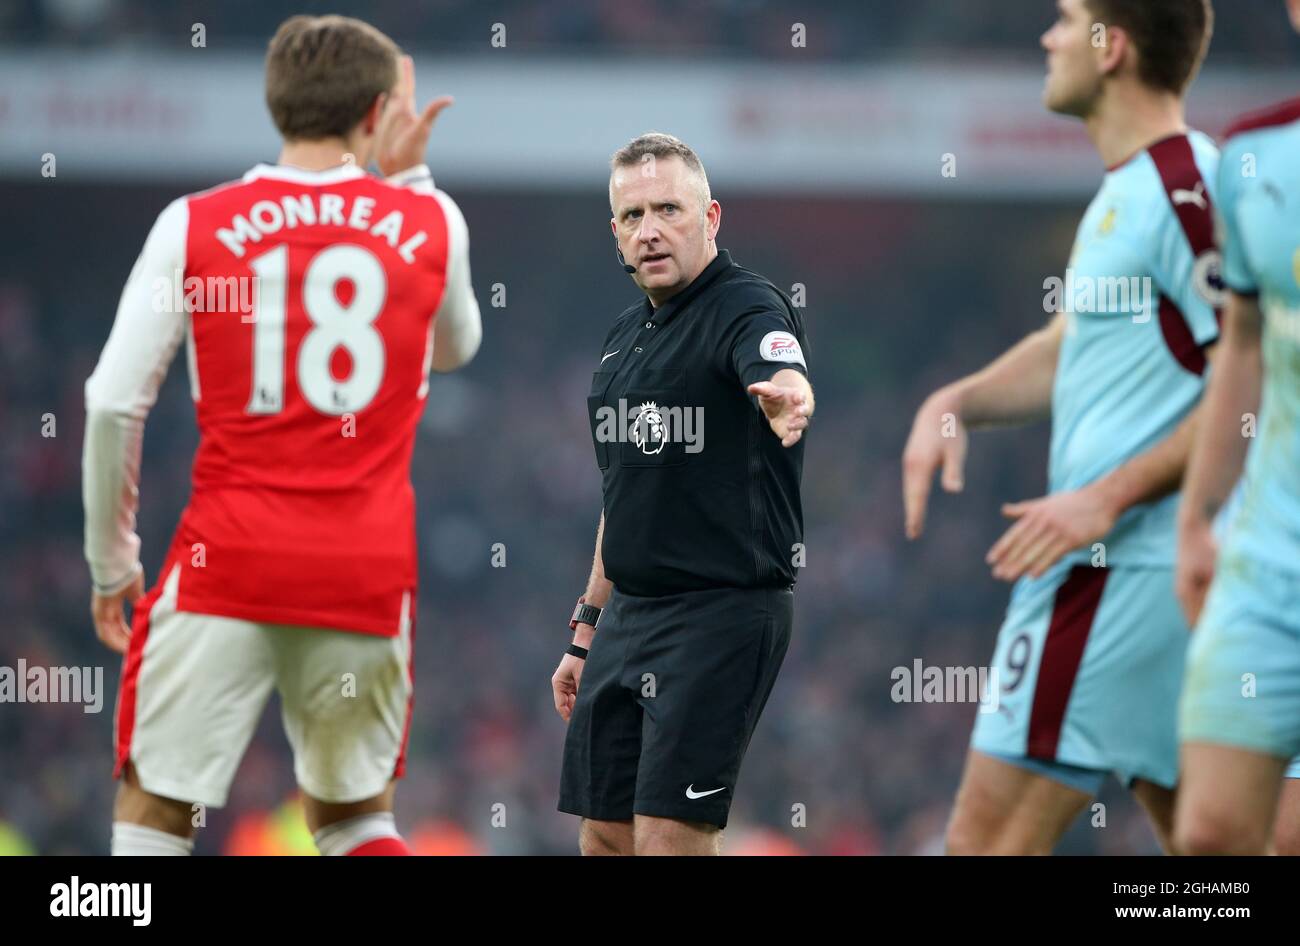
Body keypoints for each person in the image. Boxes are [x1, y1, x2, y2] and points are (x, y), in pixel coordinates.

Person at [82, 14, 480, 856]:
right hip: (364, 574)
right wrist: (411, 183)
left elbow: (114, 402)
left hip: (224, 562)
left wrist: (113, 563)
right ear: (377, 114)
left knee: (156, 811)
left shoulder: (193, 223)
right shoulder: (431, 222)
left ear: (275, 105)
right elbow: (456, 348)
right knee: (356, 820)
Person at [903, 0, 1220, 853]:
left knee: (985, 844)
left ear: (1109, 46)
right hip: (1166, 581)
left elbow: (1254, 377)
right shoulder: (1135, 191)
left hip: (1113, 572)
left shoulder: (1186, 191)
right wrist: (955, 401)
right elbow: (1069, 345)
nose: (1046, 38)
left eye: (1064, 18)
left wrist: (1105, 501)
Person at [551, 133, 814, 855]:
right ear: (616, 234)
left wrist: (789, 395)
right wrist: (585, 630)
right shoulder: (619, 342)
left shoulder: (744, 304)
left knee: (668, 835)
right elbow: (622, 496)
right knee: (604, 835)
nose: (651, 229)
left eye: (669, 208)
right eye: (633, 216)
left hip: (721, 608)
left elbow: (775, 359)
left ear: (711, 217)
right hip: (630, 614)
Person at [1174, 0, 1300, 856]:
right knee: (1213, 835)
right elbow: (1242, 350)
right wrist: (1195, 521)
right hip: (1271, 561)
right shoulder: (1254, 157)